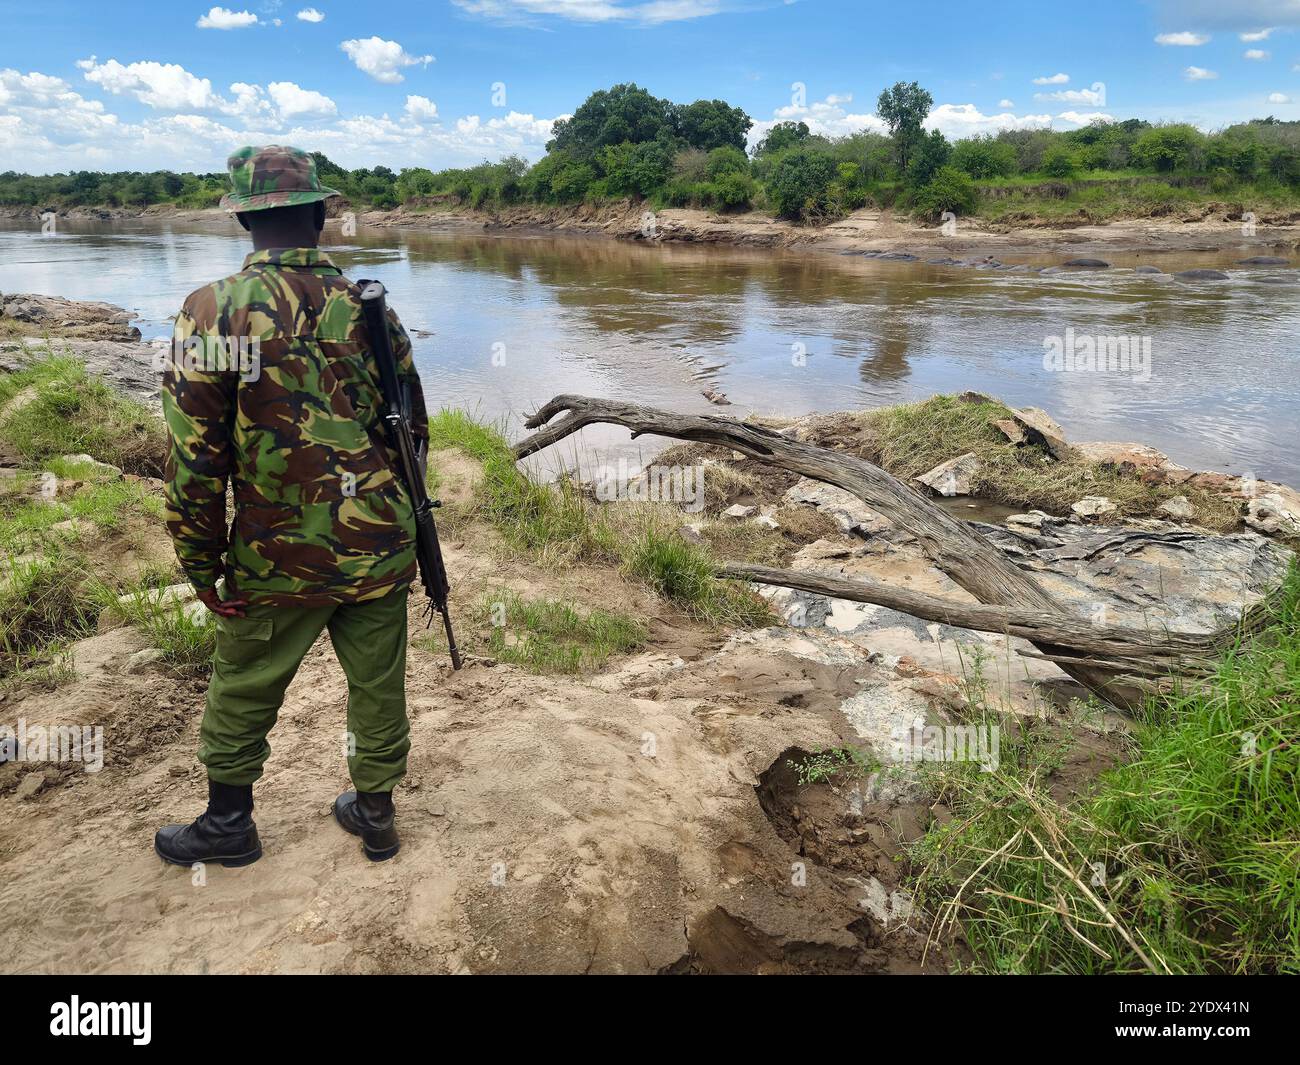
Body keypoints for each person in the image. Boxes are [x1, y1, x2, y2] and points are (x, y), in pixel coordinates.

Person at [154, 145, 427, 867]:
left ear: (245, 217)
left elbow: (195, 460)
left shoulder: (210, 311)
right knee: (378, 682)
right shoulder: (371, 306)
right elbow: (414, 430)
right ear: (319, 215)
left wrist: (200, 562)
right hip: (378, 540)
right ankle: (376, 813)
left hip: (276, 551)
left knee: (244, 681)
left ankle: (229, 823)